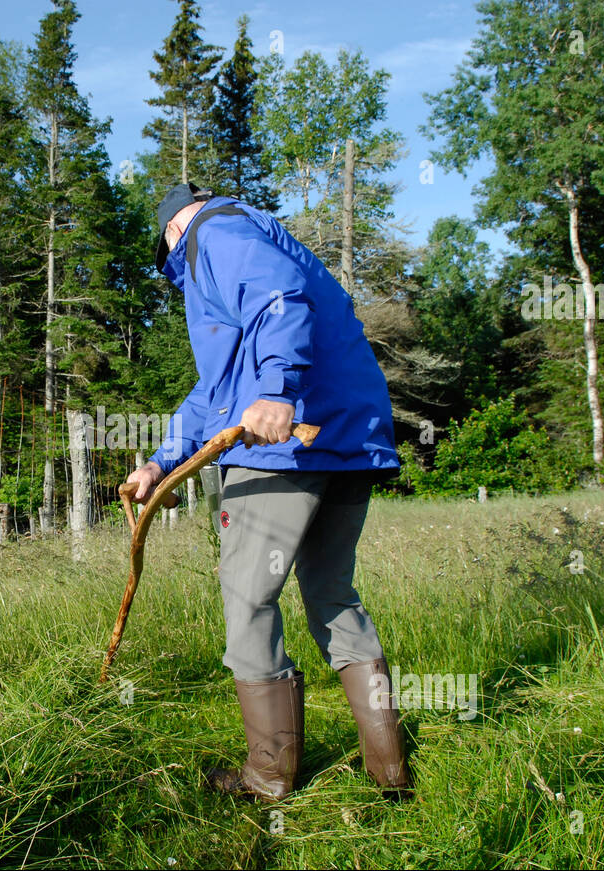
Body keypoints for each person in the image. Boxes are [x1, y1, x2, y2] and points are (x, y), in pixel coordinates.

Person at [124, 183, 413, 802]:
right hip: (347, 439)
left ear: (174, 230)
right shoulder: (254, 234)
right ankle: (390, 772)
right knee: (332, 594)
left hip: (285, 444)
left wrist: (278, 390)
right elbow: (216, 392)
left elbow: (280, 300)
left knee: (247, 597)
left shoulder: (215, 234)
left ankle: (270, 777)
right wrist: (158, 462)